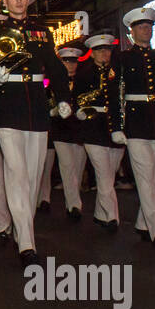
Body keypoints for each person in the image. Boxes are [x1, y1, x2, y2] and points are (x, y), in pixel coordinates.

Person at [0, 0, 73, 267]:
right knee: (17, 173)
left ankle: (23, 230)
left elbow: (56, 69)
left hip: (37, 108)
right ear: (5, 2)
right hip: (8, 108)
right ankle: (27, 245)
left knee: (32, 176)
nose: (19, 1)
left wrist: (63, 98)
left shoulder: (42, 32)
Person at [110, 8, 155, 246]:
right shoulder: (123, 58)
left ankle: (143, 221)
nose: (145, 30)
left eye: (148, 27)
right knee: (146, 177)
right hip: (136, 122)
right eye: (141, 27)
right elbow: (114, 93)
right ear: (131, 32)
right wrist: (117, 125)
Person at [74, 32, 123, 231]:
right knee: (103, 173)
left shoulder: (117, 72)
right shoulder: (84, 73)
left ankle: (100, 214)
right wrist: (81, 112)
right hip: (93, 127)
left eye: (107, 50)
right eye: (99, 50)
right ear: (92, 53)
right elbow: (76, 98)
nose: (104, 53)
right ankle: (112, 217)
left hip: (115, 126)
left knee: (109, 173)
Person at [51, 46, 87, 221]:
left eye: (73, 61)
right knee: (67, 167)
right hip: (60, 129)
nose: (70, 64)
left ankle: (72, 201)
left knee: (78, 168)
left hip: (79, 129)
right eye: (67, 61)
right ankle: (74, 205)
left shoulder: (83, 81)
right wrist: (52, 111)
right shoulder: (54, 83)